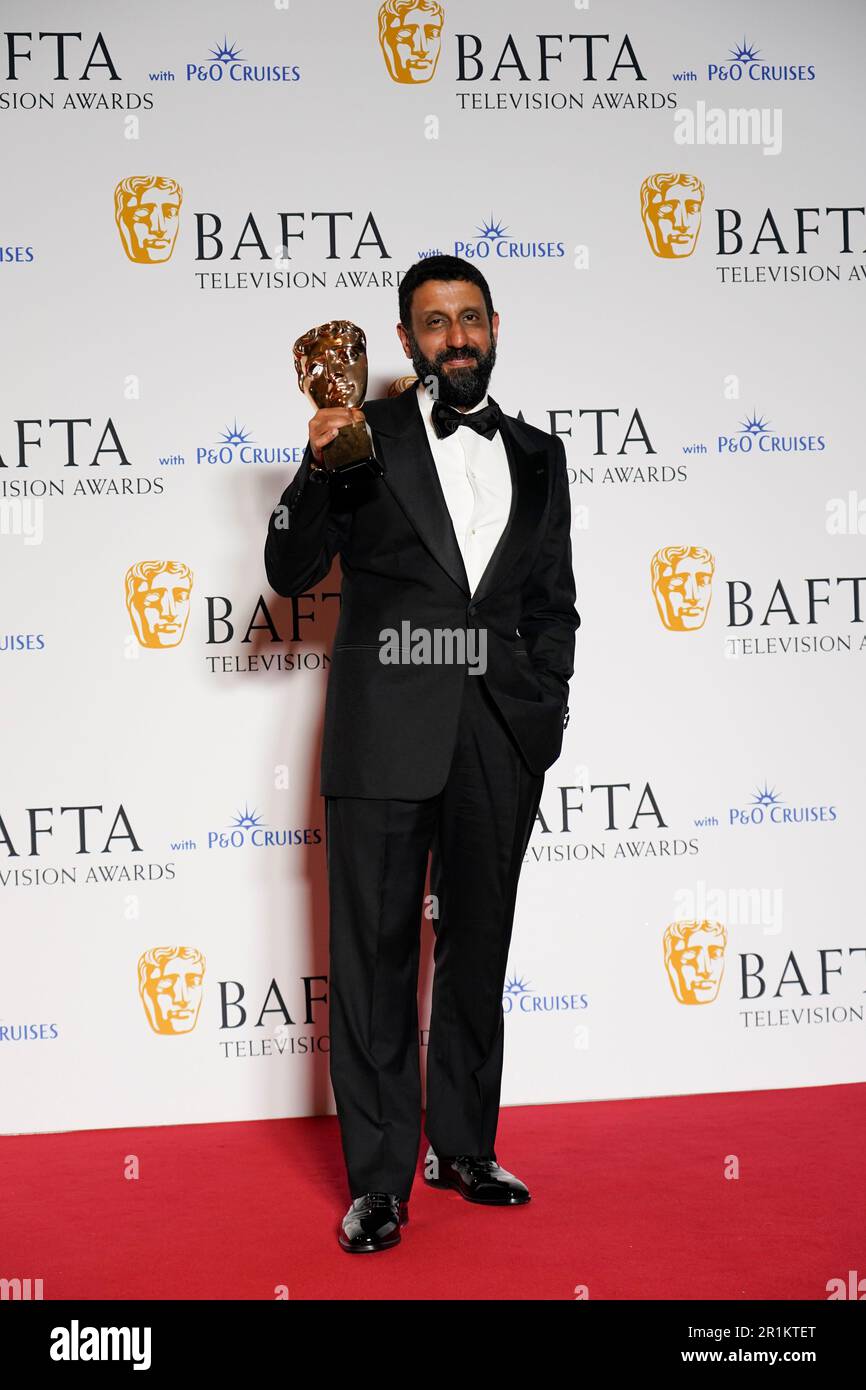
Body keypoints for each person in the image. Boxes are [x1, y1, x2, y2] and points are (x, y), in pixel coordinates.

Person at [264, 254, 579, 1252]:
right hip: (385, 729)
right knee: (373, 958)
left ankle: (463, 1145)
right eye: (434, 322)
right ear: (404, 341)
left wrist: (544, 713)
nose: (456, 336)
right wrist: (321, 458)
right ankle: (377, 1183)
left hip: (500, 735)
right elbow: (288, 564)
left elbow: (551, 602)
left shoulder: (537, 453)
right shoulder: (366, 436)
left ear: (495, 326)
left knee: (477, 950)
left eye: (470, 318)